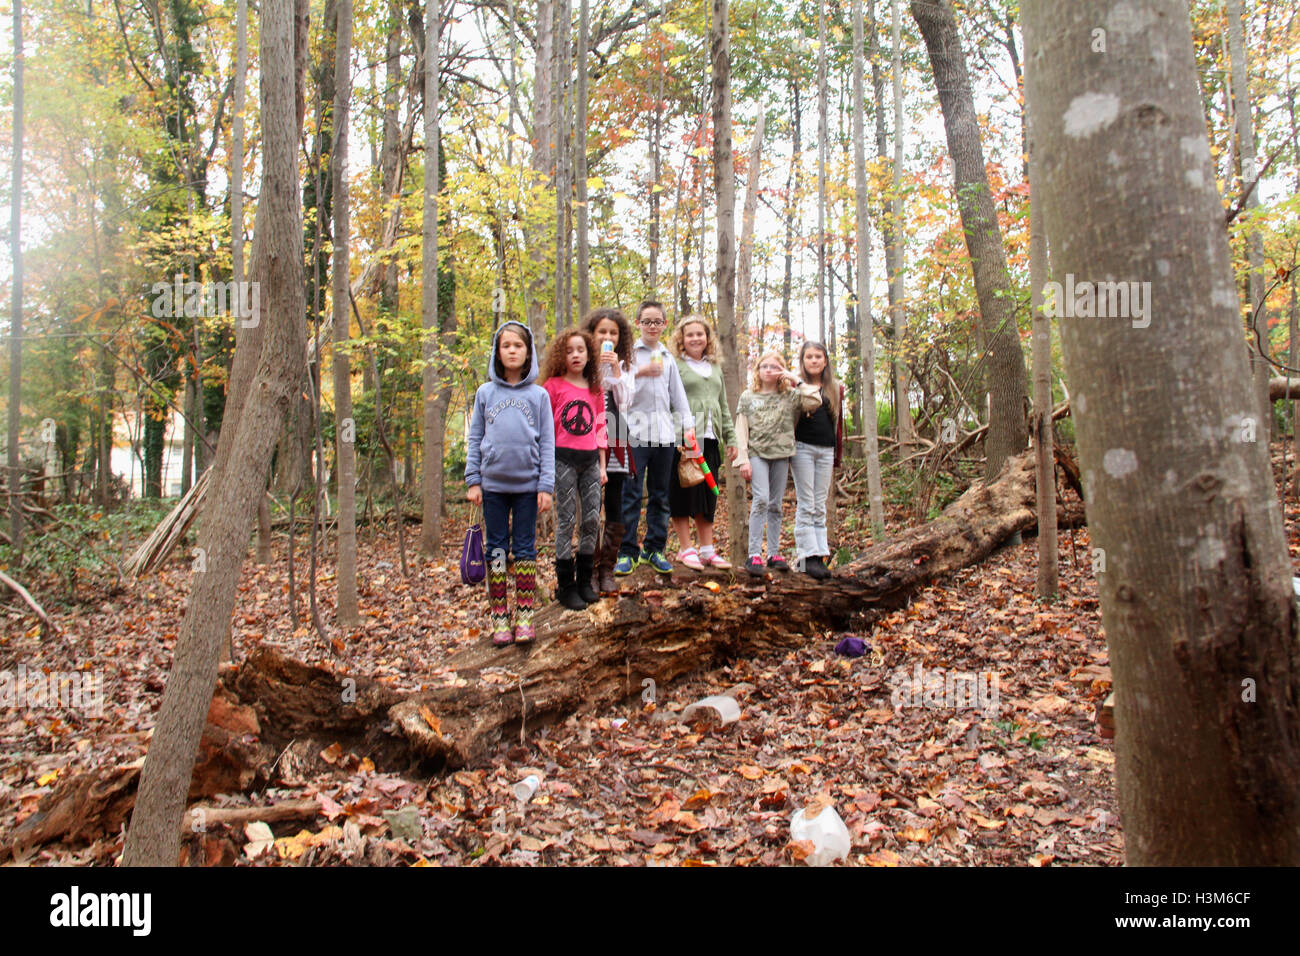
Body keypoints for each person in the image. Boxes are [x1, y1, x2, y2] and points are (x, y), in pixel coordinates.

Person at [466, 321, 555, 645]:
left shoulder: (539, 395)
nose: (513, 350)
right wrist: (473, 479)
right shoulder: (485, 393)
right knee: (497, 550)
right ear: (498, 352)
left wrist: (546, 485)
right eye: (507, 346)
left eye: (519, 345)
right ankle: (500, 617)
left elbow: (547, 441)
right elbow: (475, 436)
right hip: (492, 487)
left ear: (528, 351)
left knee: (525, 549)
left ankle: (526, 615)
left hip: (528, 488)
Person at [616, 301, 696, 576]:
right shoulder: (627, 356)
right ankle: (627, 552)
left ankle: (654, 548)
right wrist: (640, 371)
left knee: (661, 496)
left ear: (664, 324)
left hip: (664, 436)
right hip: (634, 435)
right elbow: (618, 390)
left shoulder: (668, 358)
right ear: (637, 323)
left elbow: (679, 397)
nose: (652, 326)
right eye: (646, 321)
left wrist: (687, 428)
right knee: (631, 495)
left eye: (657, 321)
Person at [733, 351, 822, 576]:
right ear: (758, 371)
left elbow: (814, 401)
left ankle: (773, 553)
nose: (769, 370)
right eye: (765, 367)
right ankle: (754, 554)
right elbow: (741, 430)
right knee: (761, 499)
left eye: (774, 367)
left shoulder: (791, 395)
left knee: (775, 503)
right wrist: (742, 459)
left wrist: (795, 379)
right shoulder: (748, 396)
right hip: (757, 454)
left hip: (782, 454)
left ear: (781, 371)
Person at [540, 327, 608, 610]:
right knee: (566, 520)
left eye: (580, 350)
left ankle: (584, 581)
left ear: (589, 354)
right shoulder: (552, 387)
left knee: (591, 520)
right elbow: (544, 429)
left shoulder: (595, 389)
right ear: (561, 355)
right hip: (562, 459)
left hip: (591, 461)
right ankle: (565, 585)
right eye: (569, 351)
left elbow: (601, 427)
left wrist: (603, 466)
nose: (575, 355)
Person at [667, 315, 737, 569]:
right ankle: (686, 549)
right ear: (681, 340)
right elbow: (668, 401)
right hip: (683, 439)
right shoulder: (675, 365)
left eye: (700, 334)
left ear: (707, 338)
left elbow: (723, 405)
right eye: (690, 335)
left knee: (708, 494)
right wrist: (680, 430)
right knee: (682, 492)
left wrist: (730, 437)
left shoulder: (715, 367)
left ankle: (707, 549)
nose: (695, 338)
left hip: (709, 438)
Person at [582, 307, 635, 595]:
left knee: (615, 502)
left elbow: (626, 402)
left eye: (613, 332)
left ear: (620, 337)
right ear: (591, 334)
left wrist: (615, 370)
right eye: (602, 331)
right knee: (590, 505)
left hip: (616, 433)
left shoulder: (625, 367)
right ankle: (587, 568)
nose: (607, 337)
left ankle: (607, 569)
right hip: (588, 436)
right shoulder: (581, 362)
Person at [790, 340, 844, 581]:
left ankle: (820, 555)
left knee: (820, 503)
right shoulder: (795, 387)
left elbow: (838, 424)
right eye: (809, 357)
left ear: (825, 361)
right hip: (803, 448)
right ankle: (806, 556)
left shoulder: (835, 388)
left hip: (826, 449)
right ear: (803, 361)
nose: (814, 361)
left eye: (818, 357)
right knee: (807, 501)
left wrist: (837, 453)